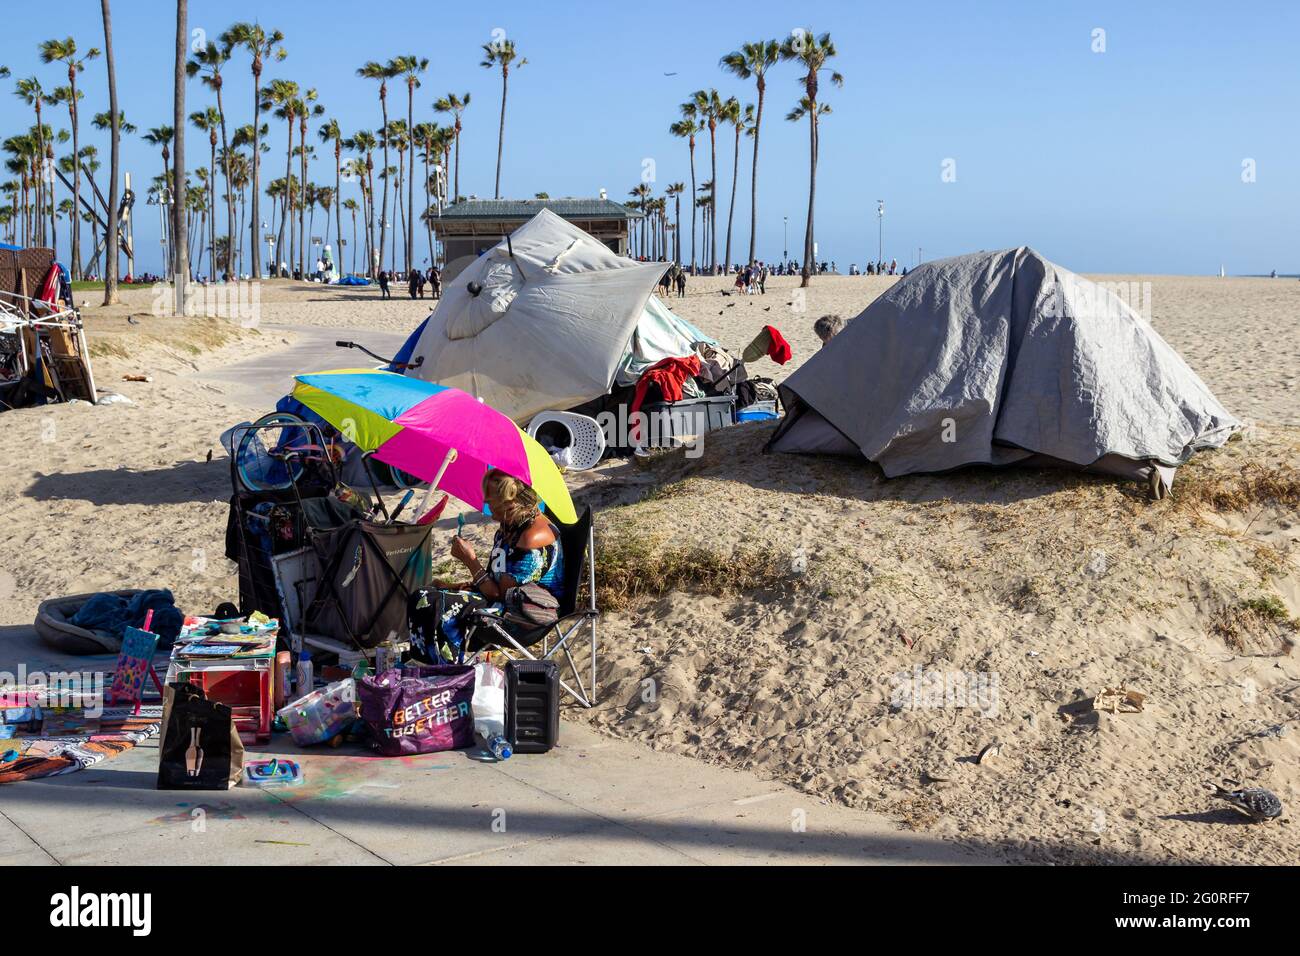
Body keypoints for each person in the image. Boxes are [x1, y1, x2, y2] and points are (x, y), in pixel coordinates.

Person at [411, 469, 566, 660]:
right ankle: (431, 668)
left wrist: (470, 560)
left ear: (508, 502)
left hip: (523, 617)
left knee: (434, 604)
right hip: (500, 603)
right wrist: (454, 586)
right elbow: (494, 580)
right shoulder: (511, 527)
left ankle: (444, 673)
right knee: (424, 594)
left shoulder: (530, 539)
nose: (485, 502)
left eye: (490, 498)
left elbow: (500, 595)